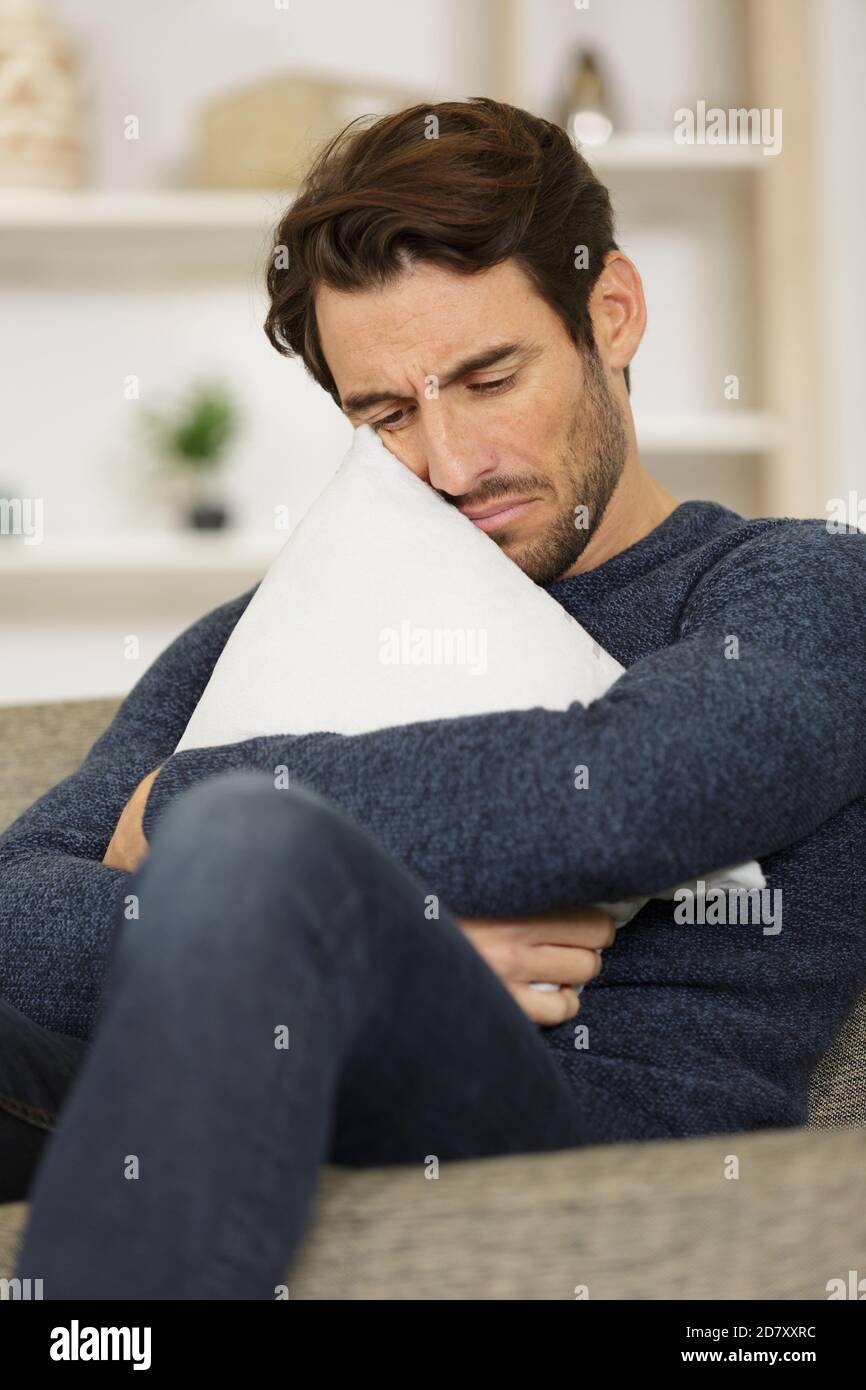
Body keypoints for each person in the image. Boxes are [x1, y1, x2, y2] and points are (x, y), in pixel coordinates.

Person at [3, 99, 865, 1299]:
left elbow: (657, 780)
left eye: (487, 376)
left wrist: (197, 803)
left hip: (582, 1139)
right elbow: (13, 908)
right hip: (220, 1099)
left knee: (254, 833)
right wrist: (353, 950)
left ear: (607, 312)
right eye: (386, 414)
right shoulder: (259, 633)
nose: (451, 465)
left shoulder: (793, 583)